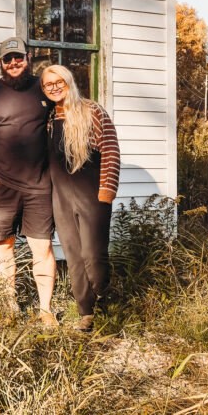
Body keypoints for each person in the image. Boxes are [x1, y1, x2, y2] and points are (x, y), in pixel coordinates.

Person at [0, 37, 57, 327]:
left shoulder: (44, 88)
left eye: (19, 57)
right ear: (0, 63)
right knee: (3, 248)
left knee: (41, 248)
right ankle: (8, 308)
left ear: (29, 58)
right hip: (0, 185)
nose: (14, 63)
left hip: (40, 186)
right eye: (8, 59)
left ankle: (46, 310)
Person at [40, 64, 121, 333]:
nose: (53, 87)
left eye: (58, 82)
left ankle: (103, 300)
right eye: (47, 84)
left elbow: (110, 150)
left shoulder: (92, 111)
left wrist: (107, 191)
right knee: (73, 256)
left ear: (68, 81)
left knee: (93, 255)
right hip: (61, 196)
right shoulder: (50, 119)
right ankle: (86, 312)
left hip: (92, 194)